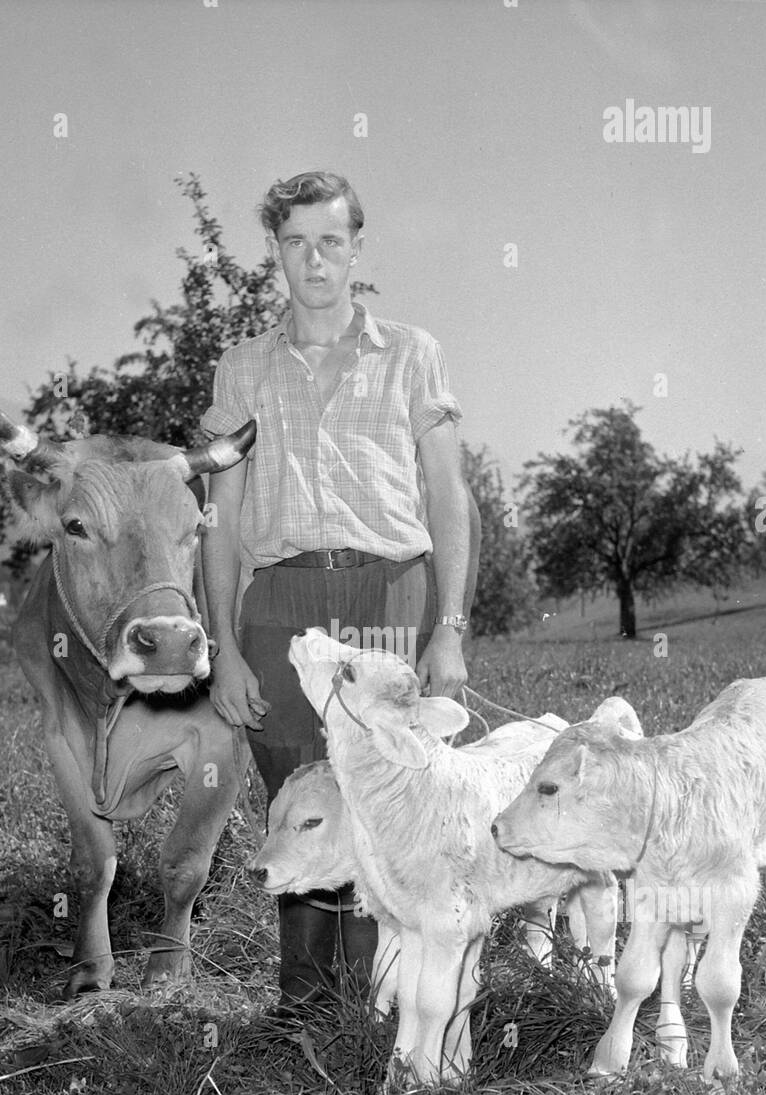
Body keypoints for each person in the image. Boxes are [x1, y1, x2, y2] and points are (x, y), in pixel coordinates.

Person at [200, 170, 478, 1014]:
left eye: (330, 240)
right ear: (276, 254)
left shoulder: (411, 355)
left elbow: (447, 497)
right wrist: (221, 651)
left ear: (356, 247)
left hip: (390, 596)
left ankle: (385, 1015)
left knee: (382, 798)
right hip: (279, 607)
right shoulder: (242, 369)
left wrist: (450, 628)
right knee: (300, 803)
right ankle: (304, 1018)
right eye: (294, 243)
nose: (313, 260)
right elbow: (222, 516)